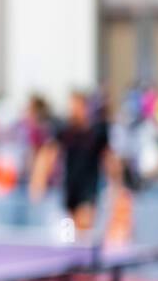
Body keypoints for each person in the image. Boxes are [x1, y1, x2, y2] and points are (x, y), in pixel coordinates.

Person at [30, 91, 119, 235]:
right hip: (69, 189)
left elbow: (109, 158)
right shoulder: (65, 130)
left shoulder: (97, 132)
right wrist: (39, 180)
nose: (72, 110)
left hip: (89, 189)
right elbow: (49, 154)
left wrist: (115, 184)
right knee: (69, 233)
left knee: (84, 226)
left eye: (76, 106)